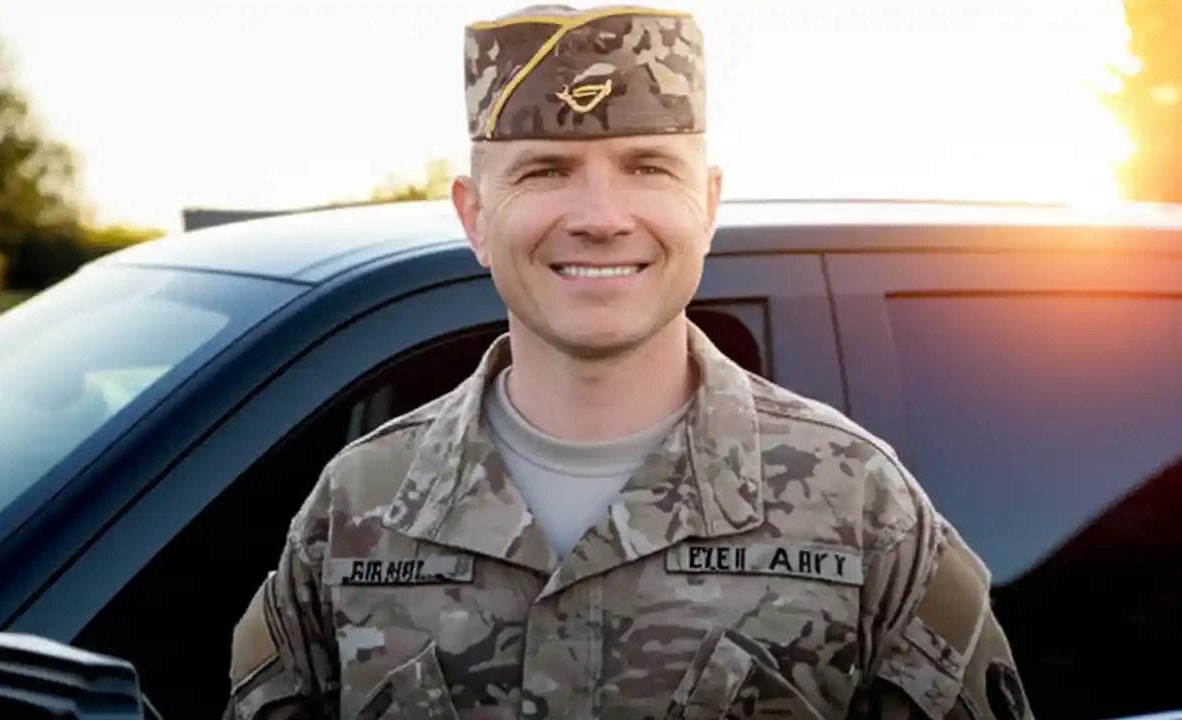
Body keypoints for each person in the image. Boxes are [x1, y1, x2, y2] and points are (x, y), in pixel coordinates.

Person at [222, 4, 1034, 719]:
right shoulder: (357, 507)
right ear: (474, 216)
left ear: (707, 204)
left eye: (648, 167)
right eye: (546, 170)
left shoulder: (860, 505)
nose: (601, 217)